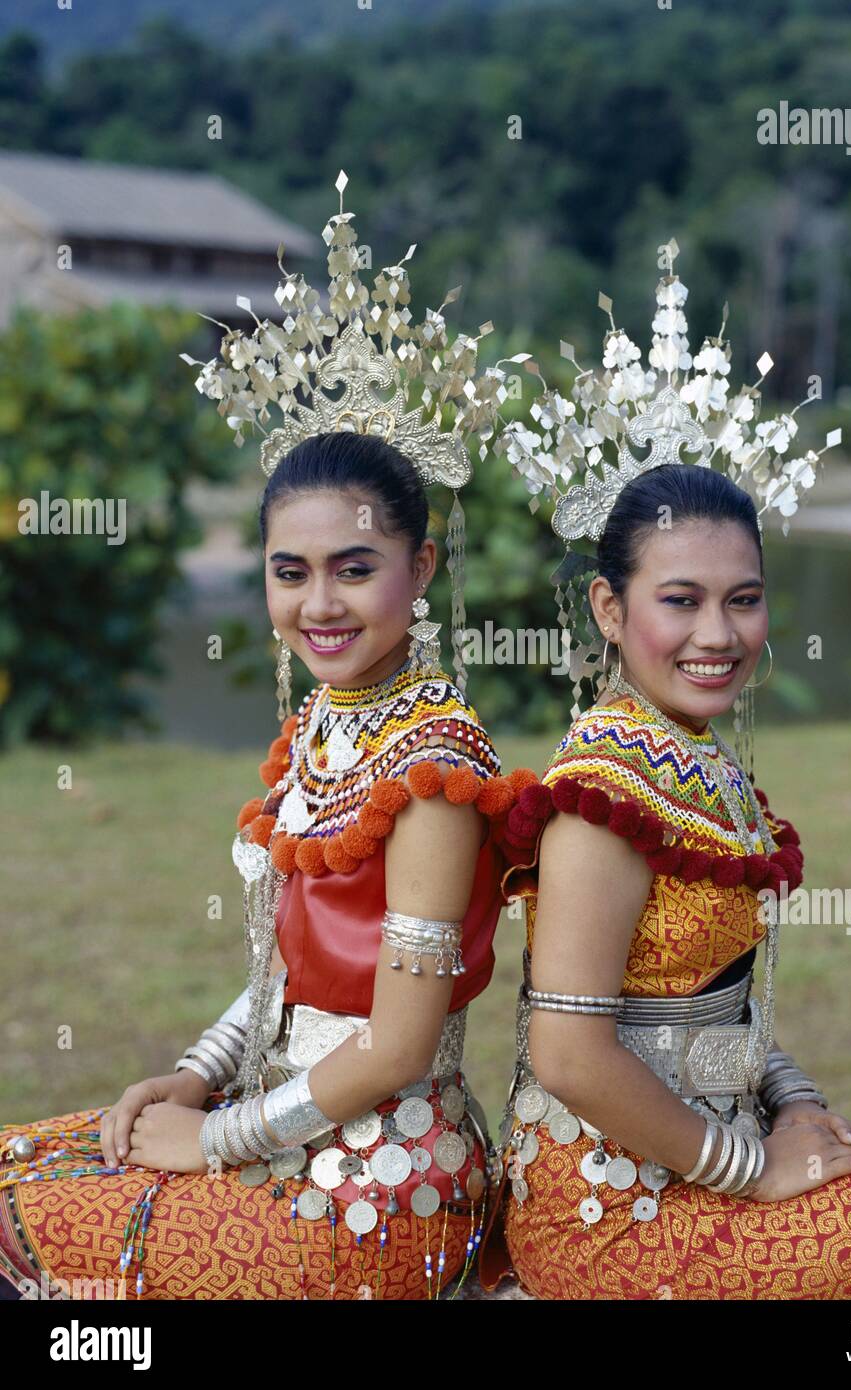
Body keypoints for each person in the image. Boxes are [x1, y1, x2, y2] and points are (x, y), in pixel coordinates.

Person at [0, 175, 527, 1301]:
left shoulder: (435, 765)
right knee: (18, 1171)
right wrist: (191, 1077)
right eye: (290, 573)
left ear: (419, 569)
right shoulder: (318, 734)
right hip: (283, 1127)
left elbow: (393, 1044)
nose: (319, 604)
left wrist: (216, 1140)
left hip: (384, 1183)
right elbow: (284, 977)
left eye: (355, 568)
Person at [480, 251, 851, 1300]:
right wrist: (754, 1166)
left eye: (742, 599)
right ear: (609, 610)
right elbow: (565, 1053)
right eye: (678, 600)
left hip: (710, 1150)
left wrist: (796, 1103)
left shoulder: (705, 771)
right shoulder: (597, 795)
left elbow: (718, 1013)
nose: (716, 634)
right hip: (609, 1210)